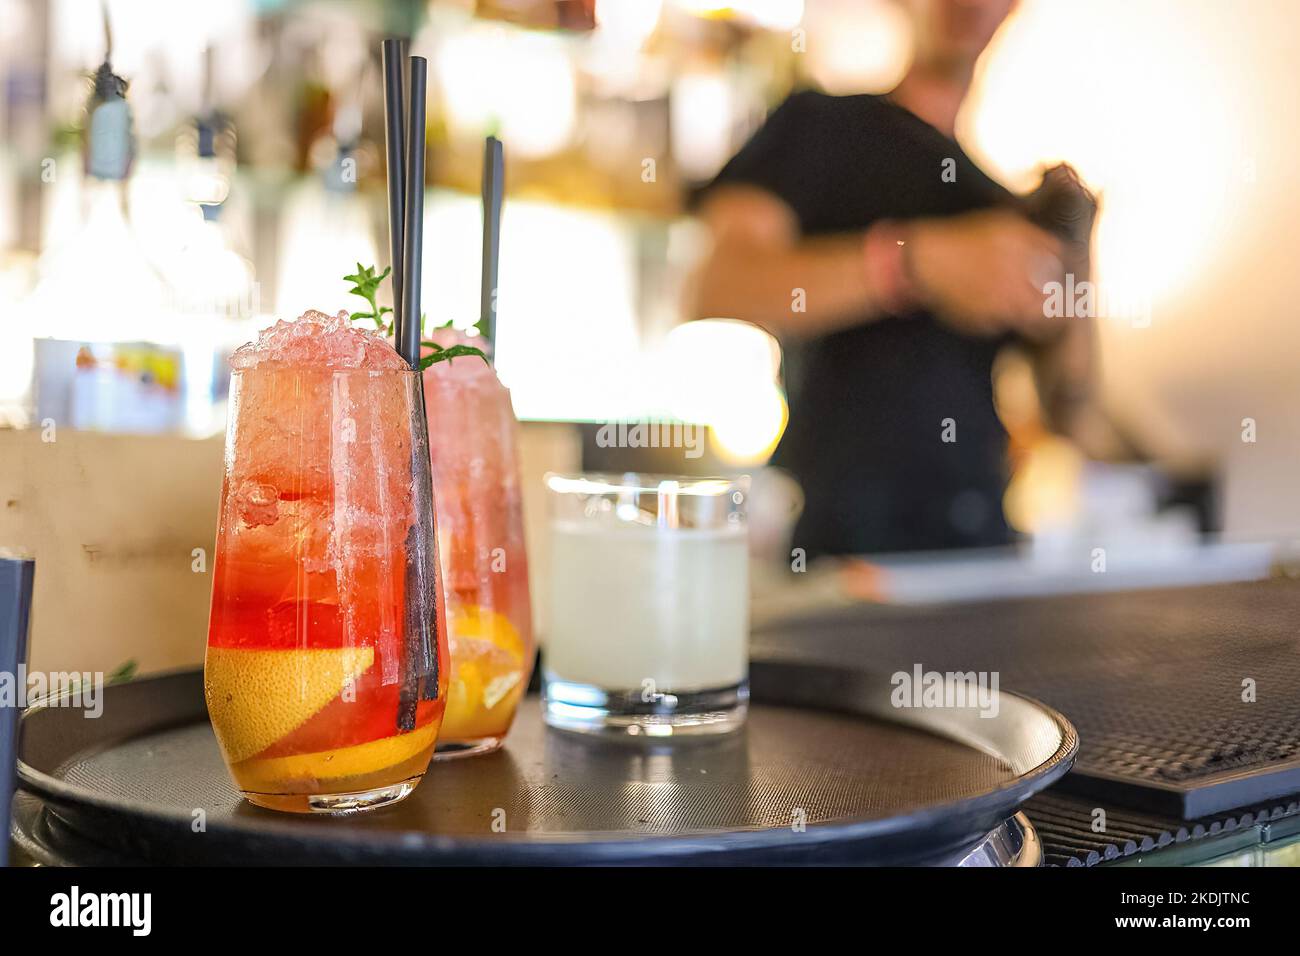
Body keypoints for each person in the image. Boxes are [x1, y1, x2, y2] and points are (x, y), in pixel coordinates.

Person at [688, 0, 1095, 558]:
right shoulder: (820, 127)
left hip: (982, 541)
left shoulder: (996, 200)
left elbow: (1069, 409)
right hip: (846, 542)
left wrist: (1077, 262)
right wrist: (914, 262)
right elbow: (717, 285)